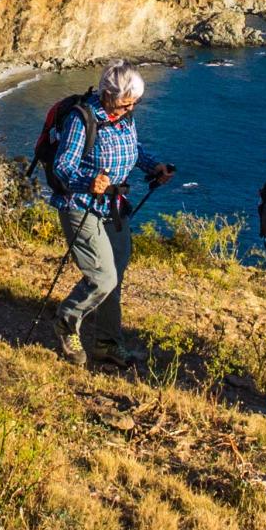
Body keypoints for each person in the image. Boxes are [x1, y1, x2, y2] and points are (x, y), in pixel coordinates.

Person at [47, 61, 174, 367]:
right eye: (126, 102)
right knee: (102, 278)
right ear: (108, 95)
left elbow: (133, 149)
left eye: (134, 103)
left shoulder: (124, 118)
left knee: (116, 276)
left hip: (113, 207)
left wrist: (153, 166)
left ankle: (107, 343)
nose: (130, 108)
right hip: (81, 205)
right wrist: (88, 182)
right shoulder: (83, 120)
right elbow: (62, 167)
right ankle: (66, 321)